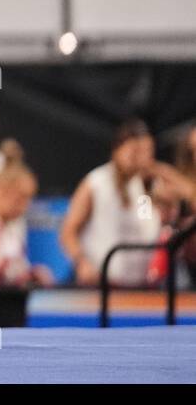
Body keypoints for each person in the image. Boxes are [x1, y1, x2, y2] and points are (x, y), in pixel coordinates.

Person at [60, 119, 163, 287]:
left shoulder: (141, 186)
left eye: (147, 152)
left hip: (138, 286)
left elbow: (145, 227)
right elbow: (68, 231)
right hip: (100, 285)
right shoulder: (96, 183)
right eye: (135, 151)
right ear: (117, 149)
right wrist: (82, 263)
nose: (141, 159)